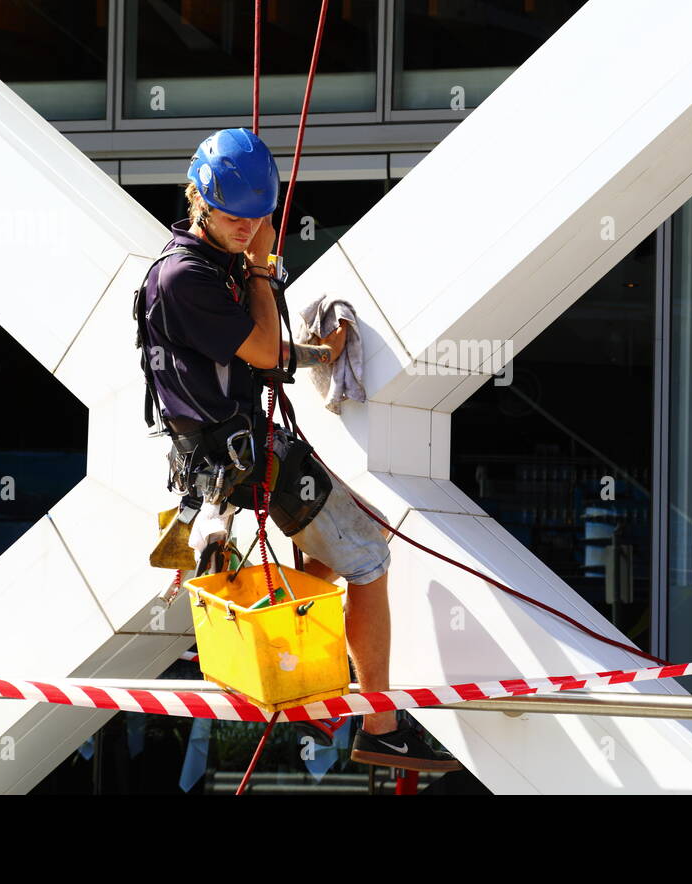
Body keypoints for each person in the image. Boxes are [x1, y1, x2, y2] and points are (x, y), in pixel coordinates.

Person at [136, 127, 460, 773]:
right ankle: (382, 726)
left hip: (237, 449)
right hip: (238, 452)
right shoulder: (184, 277)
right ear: (198, 200)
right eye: (233, 218)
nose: (247, 229)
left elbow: (259, 353)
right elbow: (265, 352)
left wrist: (259, 275)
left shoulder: (208, 262)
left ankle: (273, 637)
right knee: (367, 554)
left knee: (356, 543)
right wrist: (266, 278)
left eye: (258, 220)